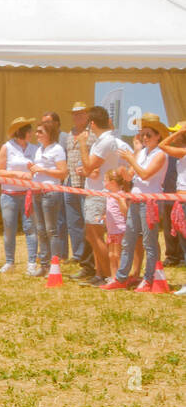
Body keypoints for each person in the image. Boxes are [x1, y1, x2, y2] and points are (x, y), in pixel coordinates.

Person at [104, 113, 169, 291]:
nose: (145, 138)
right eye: (143, 134)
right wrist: (124, 170)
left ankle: (149, 279)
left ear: (158, 136)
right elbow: (132, 176)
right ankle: (121, 277)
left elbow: (146, 174)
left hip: (151, 201)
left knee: (149, 242)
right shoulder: (141, 152)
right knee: (129, 239)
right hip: (137, 198)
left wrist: (131, 160)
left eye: (149, 134)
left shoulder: (161, 155)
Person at [79, 105, 121, 286]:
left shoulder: (105, 141)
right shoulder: (102, 141)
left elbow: (89, 166)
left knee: (95, 235)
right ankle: (101, 273)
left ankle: (108, 275)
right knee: (92, 235)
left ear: (93, 123)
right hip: (95, 191)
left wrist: (81, 144)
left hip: (99, 193)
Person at [0, 117, 40, 275]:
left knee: (30, 228)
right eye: (29, 130)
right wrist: (17, 174)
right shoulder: (7, 147)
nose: (32, 133)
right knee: (9, 228)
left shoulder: (35, 149)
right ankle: (9, 262)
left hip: (28, 193)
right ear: (22, 132)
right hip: (9, 194)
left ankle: (32, 262)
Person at [28, 118, 69, 272]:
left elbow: (63, 172)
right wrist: (33, 169)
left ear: (49, 134)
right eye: (36, 131)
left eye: (40, 132)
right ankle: (44, 264)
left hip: (50, 192)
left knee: (51, 230)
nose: (37, 134)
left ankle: (54, 264)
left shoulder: (57, 149)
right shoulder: (39, 150)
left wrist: (42, 170)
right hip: (37, 191)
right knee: (40, 229)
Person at [63, 101, 95, 281]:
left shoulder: (91, 135)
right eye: (75, 114)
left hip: (85, 183)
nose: (77, 117)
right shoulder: (69, 134)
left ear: (87, 116)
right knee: (73, 222)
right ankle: (77, 253)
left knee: (87, 223)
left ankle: (87, 258)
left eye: (81, 114)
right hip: (70, 182)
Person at [158, 120, 186, 294]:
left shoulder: (183, 151)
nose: (173, 136)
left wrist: (179, 133)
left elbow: (162, 145)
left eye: (176, 134)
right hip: (180, 201)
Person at [41, 110, 69, 261]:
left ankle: (61, 253)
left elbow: (66, 160)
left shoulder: (64, 138)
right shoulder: (41, 146)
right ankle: (51, 253)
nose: (46, 125)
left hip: (62, 182)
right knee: (52, 222)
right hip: (47, 185)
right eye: (44, 122)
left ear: (57, 123)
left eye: (48, 122)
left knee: (60, 221)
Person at [104, 168, 131, 277]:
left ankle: (121, 278)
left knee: (118, 254)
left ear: (113, 182)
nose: (104, 183)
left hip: (120, 230)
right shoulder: (109, 194)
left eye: (105, 180)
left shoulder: (120, 194)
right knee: (111, 255)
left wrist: (121, 201)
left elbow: (125, 211)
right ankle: (113, 277)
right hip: (111, 231)